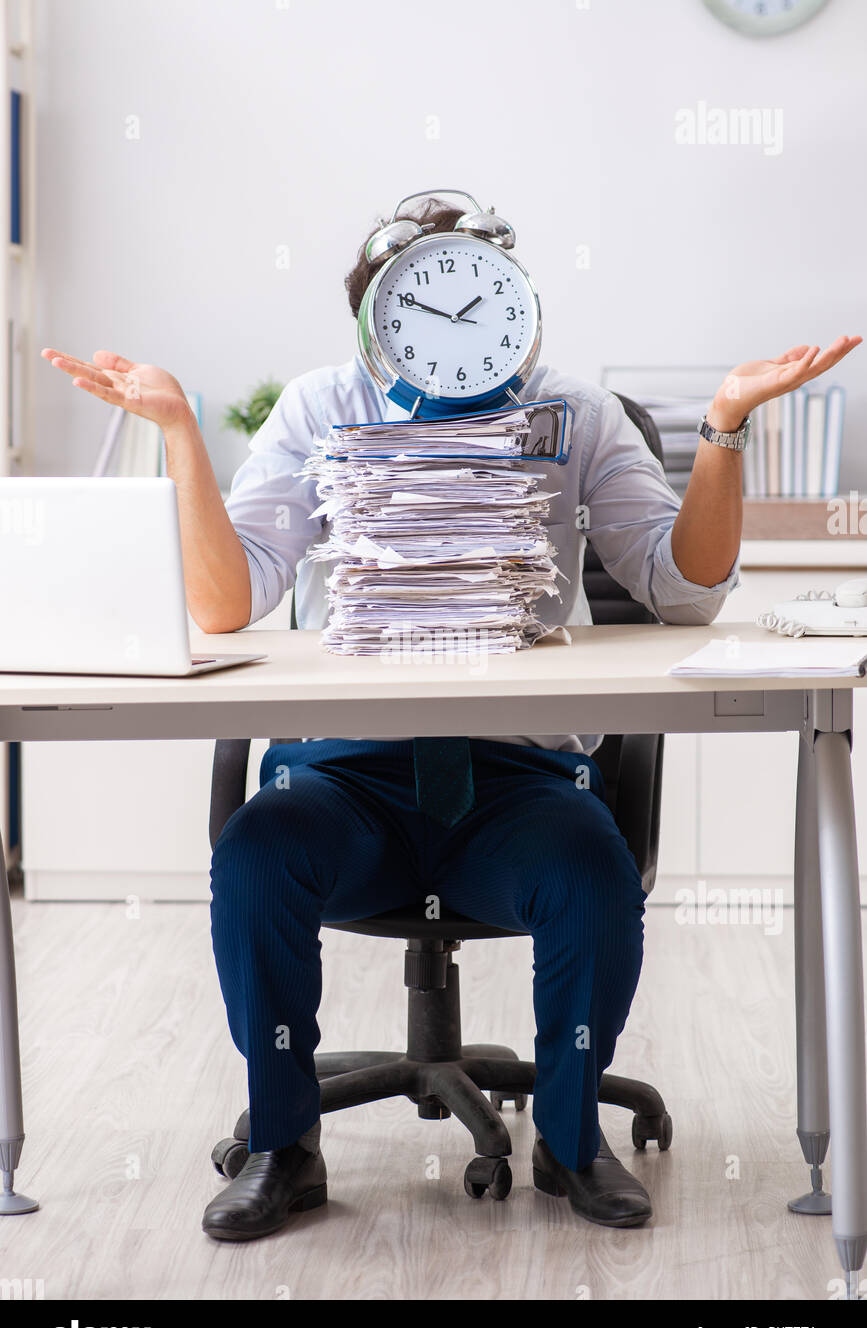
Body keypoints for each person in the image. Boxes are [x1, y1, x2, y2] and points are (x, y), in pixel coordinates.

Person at [43, 197, 861, 1243]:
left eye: (480, 294)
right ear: (375, 318)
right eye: (423, 302)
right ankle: (283, 1145)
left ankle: (570, 1140)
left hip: (517, 781)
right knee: (257, 855)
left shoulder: (574, 410)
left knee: (590, 873)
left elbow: (682, 587)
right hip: (347, 779)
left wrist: (726, 423)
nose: (456, 328)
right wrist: (178, 436)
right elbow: (224, 599)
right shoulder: (320, 404)